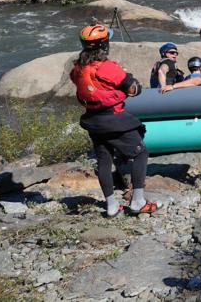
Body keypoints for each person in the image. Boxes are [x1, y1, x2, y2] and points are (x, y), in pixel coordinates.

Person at [69, 24, 162, 217]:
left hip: (93, 120)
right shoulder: (108, 67)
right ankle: (137, 202)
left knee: (104, 160)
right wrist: (128, 76)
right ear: (104, 45)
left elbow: (87, 83)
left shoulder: (78, 67)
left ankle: (111, 206)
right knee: (140, 153)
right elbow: (133, 89)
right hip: (113, 119)